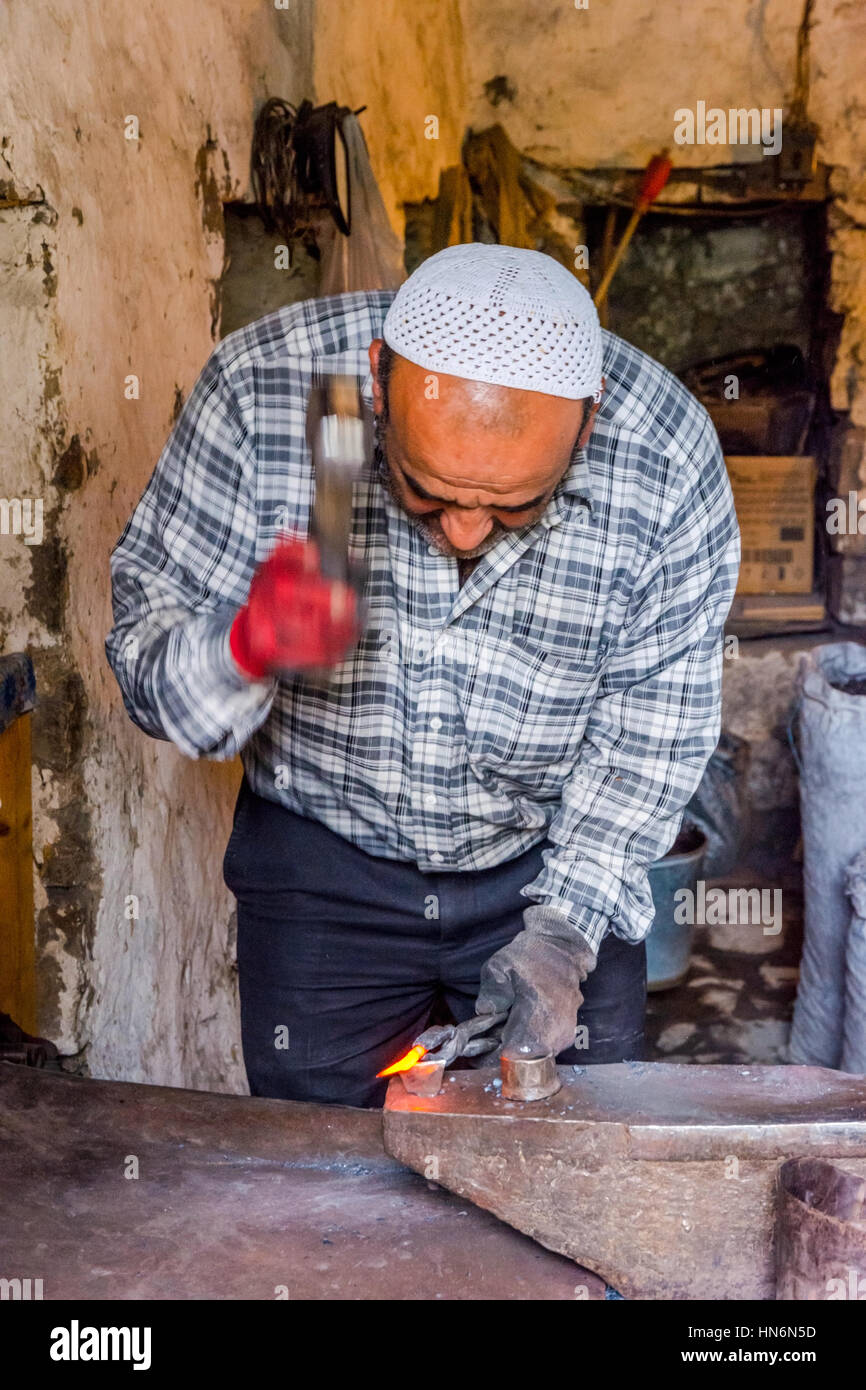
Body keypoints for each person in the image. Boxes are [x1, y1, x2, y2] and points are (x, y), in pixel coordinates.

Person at [106, 243, 740, 1106]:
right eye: (426, 491)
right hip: (323, 867)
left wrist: (564, 934)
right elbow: (144, 658)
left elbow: (648, 733)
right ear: (377, 381)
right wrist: (245, 645)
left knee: (571, 1166)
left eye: (516, 506)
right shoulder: (264, 392)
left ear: (586, 425)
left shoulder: (664, 458)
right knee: (322, 1189)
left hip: (547, 865)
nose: (469, 533)